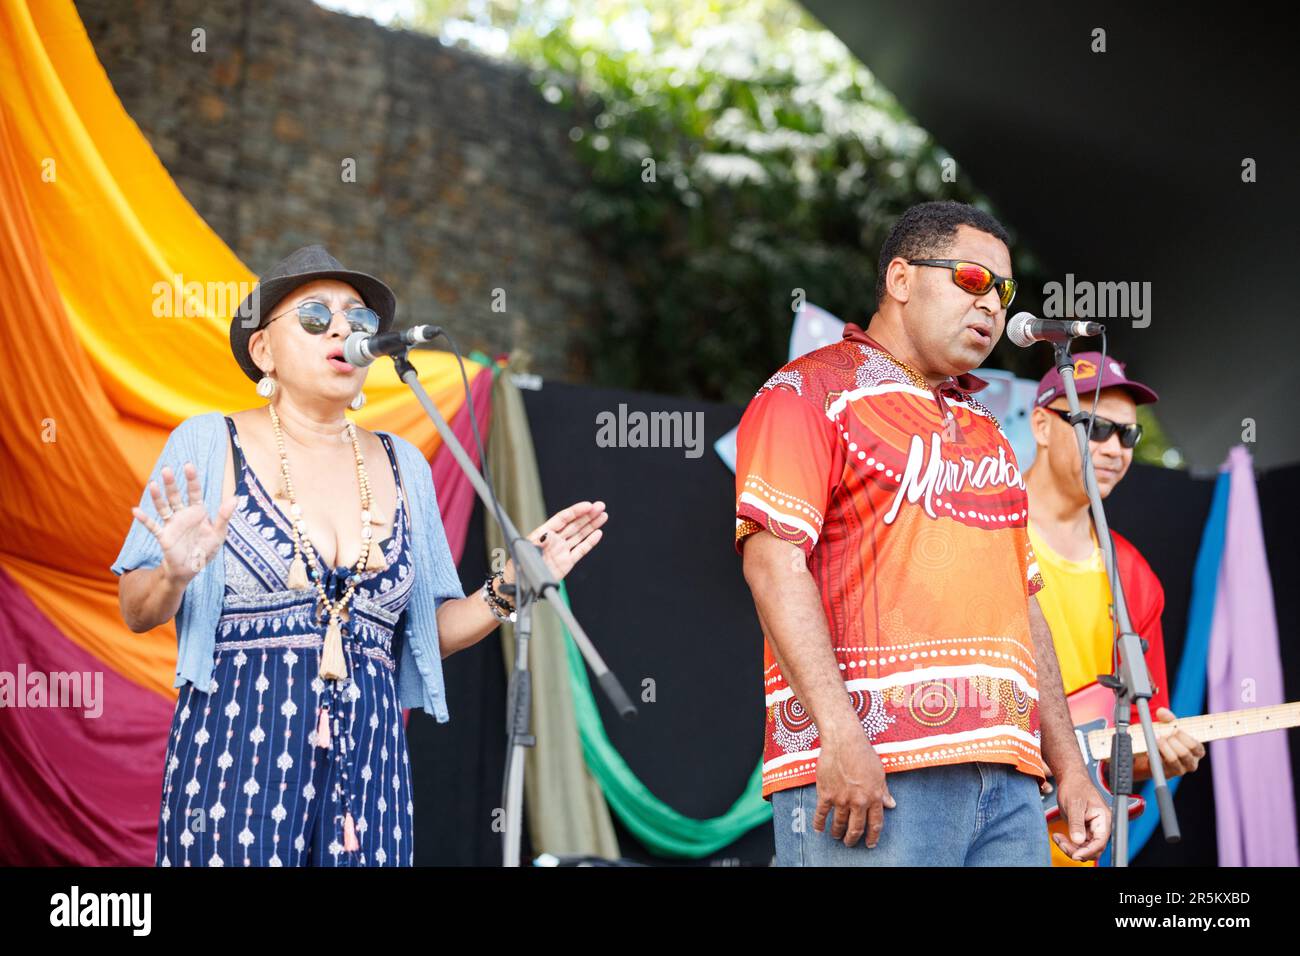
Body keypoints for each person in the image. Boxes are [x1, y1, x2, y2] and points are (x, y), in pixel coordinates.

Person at [112, 245, 607, 866]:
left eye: (362, 320)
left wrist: (512, 584)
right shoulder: (211, 442)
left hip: (369, 768)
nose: (345, 329)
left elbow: (429, 631)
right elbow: (136, 609)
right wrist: (174, 575)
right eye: (316, 316)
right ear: (264, 350)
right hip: (237, 760)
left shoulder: (405, 466)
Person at [735, 200, 1110, 866]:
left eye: (1005, 290)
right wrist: (839, 736)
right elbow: (774, 566)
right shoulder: (807, 389)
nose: (993, 305)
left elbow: (1026, 606)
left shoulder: (992, 433)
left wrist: (1071, 765)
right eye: (972, 280)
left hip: (1011, 781)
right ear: (902, 279)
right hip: (876, 774)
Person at [1024, 353, 1204, 867]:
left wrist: (1159, 755)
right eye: (1096, 426)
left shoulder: (1134, 574)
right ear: (1041, 424)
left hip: (1073, 847)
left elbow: (1128, 742)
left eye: (1127, 436)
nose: (1112, 448)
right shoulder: (981, 531)